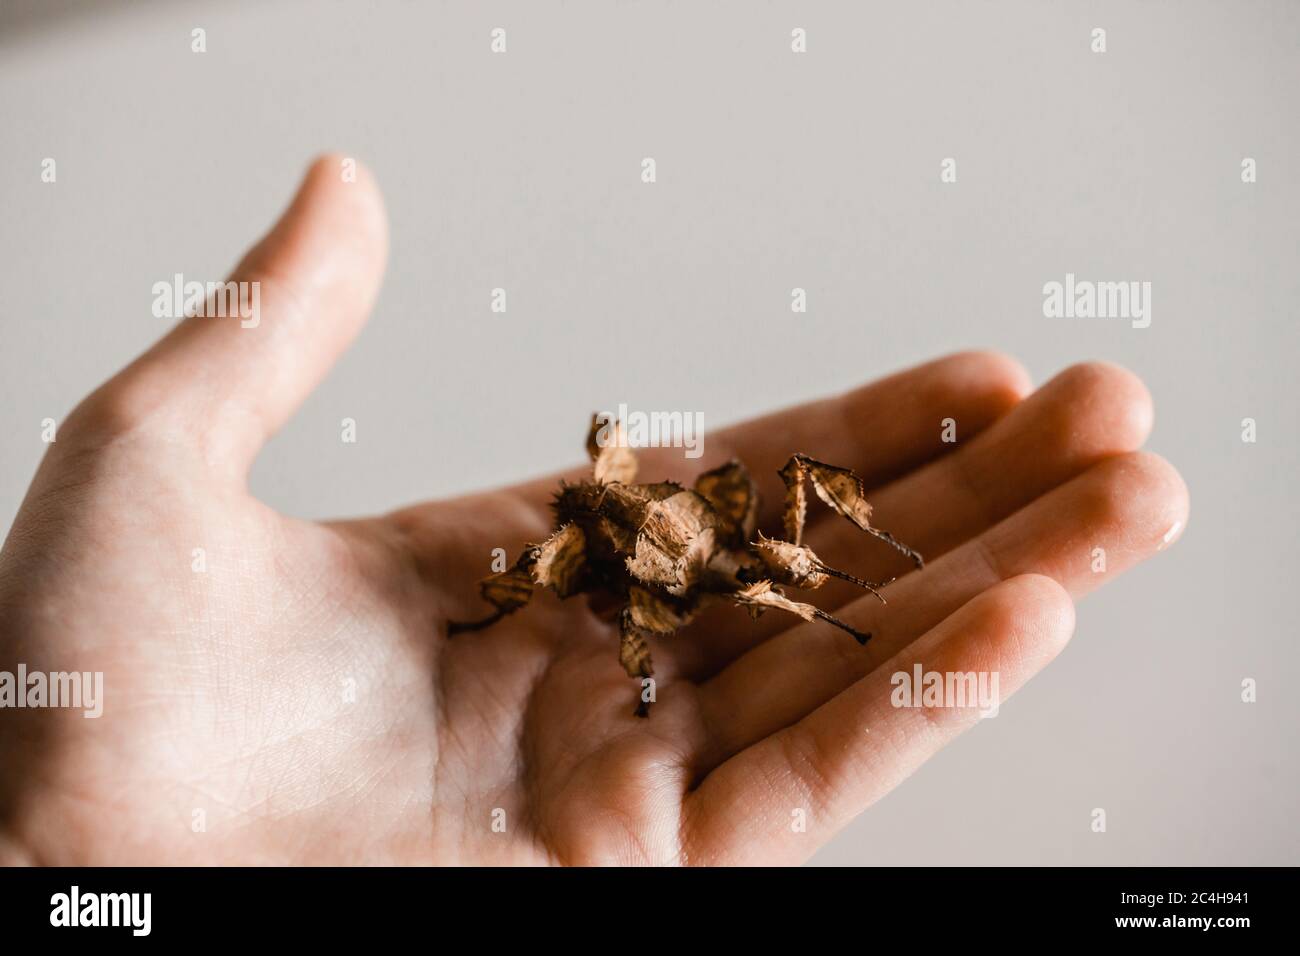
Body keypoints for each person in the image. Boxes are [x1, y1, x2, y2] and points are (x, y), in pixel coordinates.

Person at [0, 157, 1188, 865]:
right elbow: (622, 608)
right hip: (632, 547)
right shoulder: (620, 572)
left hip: (671, 534)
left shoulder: (728, 518)